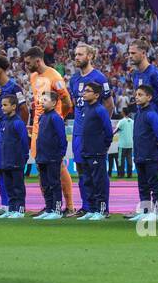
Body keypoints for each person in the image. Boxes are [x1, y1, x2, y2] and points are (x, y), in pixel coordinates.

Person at [128, 39, 158, 213]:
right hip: (143, 124)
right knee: (144, 168)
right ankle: (147, 207)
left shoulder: (155, 73)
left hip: (156, 124)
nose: (130, 56)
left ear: (143, 53)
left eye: (133, 53)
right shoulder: (135, 74)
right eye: (129, 53)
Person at [66, 42, 107, 215]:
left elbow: (108, 105)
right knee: (82, 171)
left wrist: (99, 128)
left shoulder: (99, 77)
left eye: (80, 54)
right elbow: (76, 105)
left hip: (93, 135)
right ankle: (87, 207)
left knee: (97, 172)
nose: (77, 57)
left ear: (89, 56)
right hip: (78, 132)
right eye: (75, 54)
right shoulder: (74, 79)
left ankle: (102, 208)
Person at [0, 55, 25, 216]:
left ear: (0, 70)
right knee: (0, 170)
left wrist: (16, 130)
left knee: (10, 171)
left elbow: (24, 110)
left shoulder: (15, 88)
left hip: (8, 135)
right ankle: (5, 205)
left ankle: (15, 205)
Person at [128, 85, 158, 220]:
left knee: (153, 184)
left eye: (140, 95)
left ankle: (157, 212)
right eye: (136, 94)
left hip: (150, 155)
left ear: (149, 97)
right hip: (139, 155)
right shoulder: (138, 113)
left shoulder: (151, 114)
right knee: (142, 185)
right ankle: (145, 211)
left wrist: (152, 149)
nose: (137, 97)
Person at [78, 79, 115, 219]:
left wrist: (103, 146)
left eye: (87, 91)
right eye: (84, 90)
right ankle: (92, 209)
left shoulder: (100, 110)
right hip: (86, 151)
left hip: (97, 151)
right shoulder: (86, 108)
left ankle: (102, 210)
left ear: (97, 95)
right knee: (88, 181)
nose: (84, 93)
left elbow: (108, 132)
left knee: (99, 182)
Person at [34, 92, 67, 220]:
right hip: (42, 156)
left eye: (45, 99)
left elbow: (62, 137)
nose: (42, 102)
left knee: (54, 183)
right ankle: (49, 208)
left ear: (54, 103)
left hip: (53, 156)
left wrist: (61, 153)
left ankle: (57, 210)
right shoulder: (42, 117)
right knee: (45, 184)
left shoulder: (56, 117)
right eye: (41, 99)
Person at [113, 110, 135, 179]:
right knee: (129, 159)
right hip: (130, 143)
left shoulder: (121, 121)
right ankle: (129, 174)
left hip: (122, 144)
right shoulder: (132, 121)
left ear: (123, 113)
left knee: (120, 160)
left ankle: (121, 174)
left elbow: (116, 130)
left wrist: (110, 134)